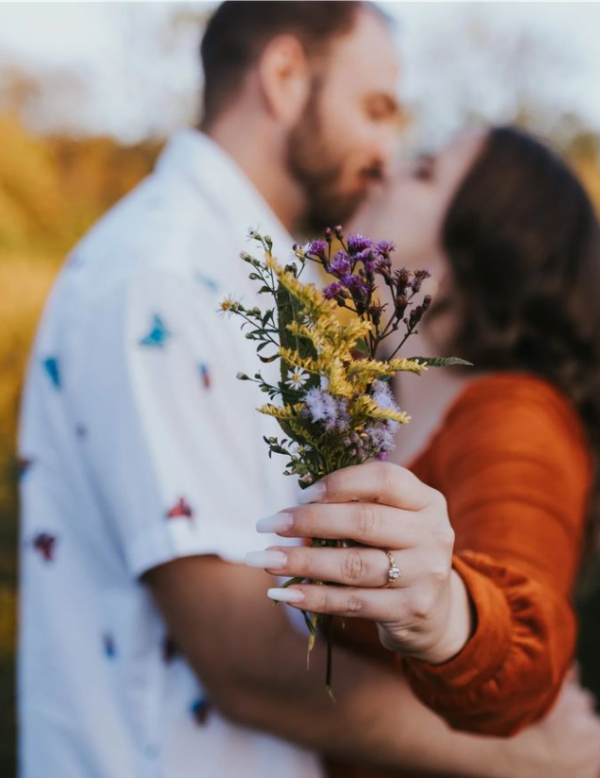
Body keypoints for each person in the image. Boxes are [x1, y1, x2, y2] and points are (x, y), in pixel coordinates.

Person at [18, 0, 600, 773]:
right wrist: (537, 757)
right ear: (286, 77)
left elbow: (512, 611)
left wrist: (454, 619)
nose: (386, 154)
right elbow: (242, 656)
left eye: (418, 158)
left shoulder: (275, 286)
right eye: (375, 108)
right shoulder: (162, 278)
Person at [250, 126, 600, 775]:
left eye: (425, 171)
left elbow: (526, 639)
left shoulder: (515, 418)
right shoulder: (365, 391)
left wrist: (442, 616)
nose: (384, 167)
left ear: (474, 249)